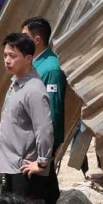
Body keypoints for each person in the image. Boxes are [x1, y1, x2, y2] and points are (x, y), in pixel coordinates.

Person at [0, 30, 56, 204]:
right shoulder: (16, 82)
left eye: (12, 56)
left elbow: (44, 129)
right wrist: (1, 141)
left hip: (25, 169)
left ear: (28, 59)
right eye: (5, 55)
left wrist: (42, 162)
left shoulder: (34, 89)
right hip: (11, 163)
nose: (7, 60)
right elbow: (17, 121)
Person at [22, 17, 66, 158]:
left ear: (37, 40)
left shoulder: (51, 68)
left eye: (25, 37)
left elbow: (52, 109)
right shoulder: (35, 63)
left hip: (40, 141)